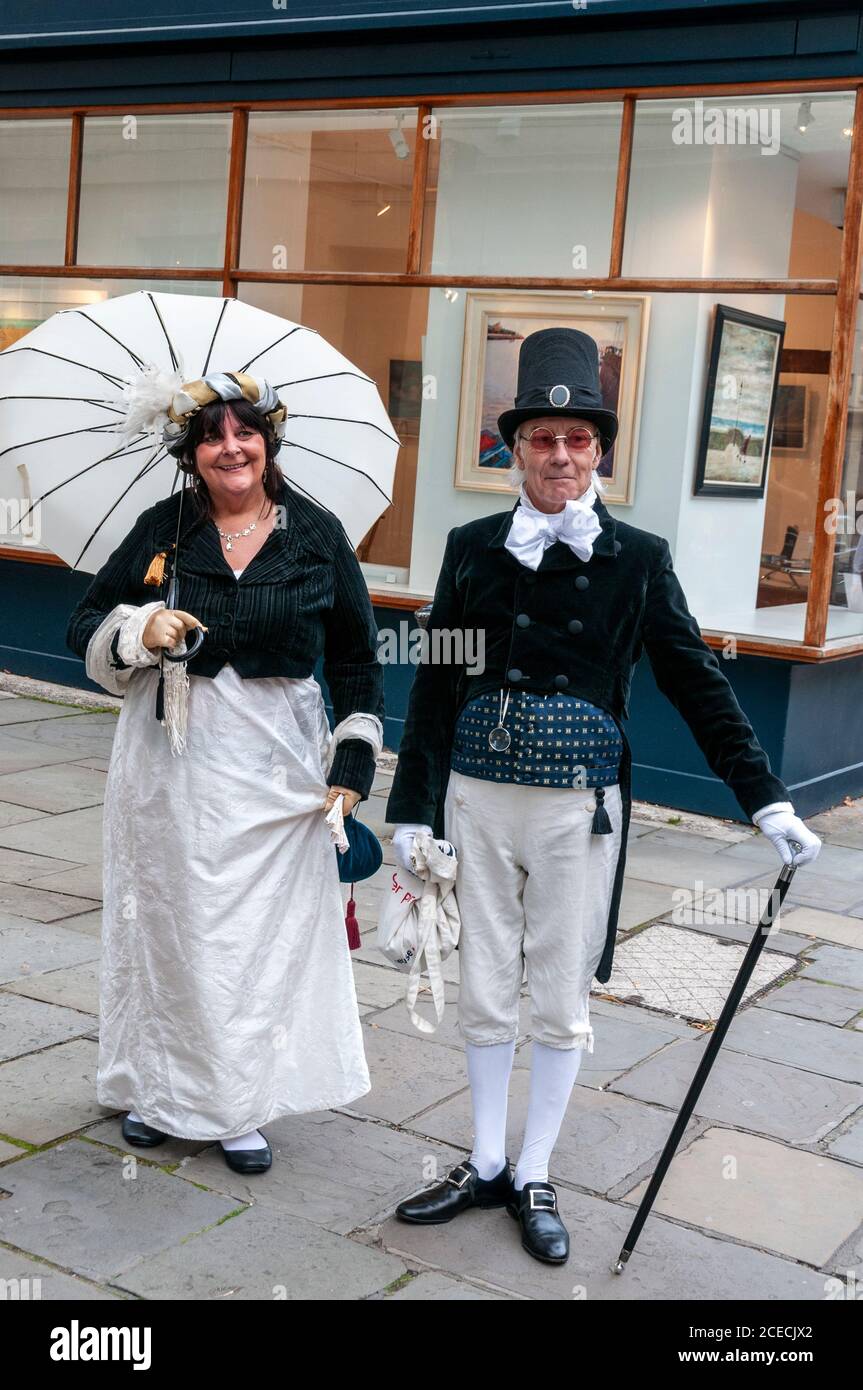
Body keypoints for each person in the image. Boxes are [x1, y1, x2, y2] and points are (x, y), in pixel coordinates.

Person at [386, 328, 821, 1264]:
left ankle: (535, 1168)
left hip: (576, 806)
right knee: (483, 980)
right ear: (517, 446)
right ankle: (486, 1159)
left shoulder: (637, 557)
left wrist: (767, 799)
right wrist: (410, 809)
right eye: (542, 437)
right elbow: (434, 683)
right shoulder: (470, 550)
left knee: (559, 984)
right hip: (475, 797)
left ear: (599, 450)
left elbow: (694, 679)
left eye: (577, 439)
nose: (560, 455)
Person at [66, 371, 384, 1174]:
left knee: (254, 941)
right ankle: (157, 1091)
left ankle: (239, 1101)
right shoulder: (161, 527)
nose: (231, 447)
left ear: (269, 444)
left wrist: (353, 757)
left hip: (277, 761)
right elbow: (82, 624)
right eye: (212, 435)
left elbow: (354, 656)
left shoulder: (316, 534)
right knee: (173, 928)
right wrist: (143, 624)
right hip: (170, 759)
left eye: (245, 432)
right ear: (191, 452)